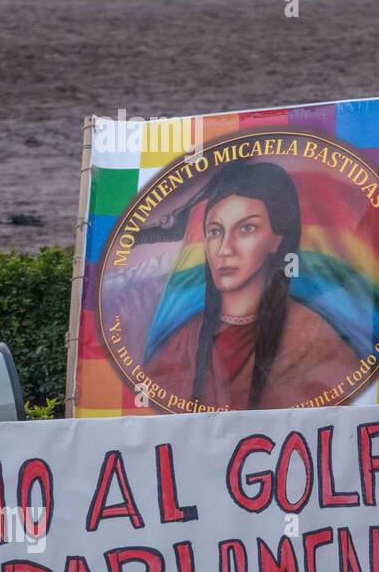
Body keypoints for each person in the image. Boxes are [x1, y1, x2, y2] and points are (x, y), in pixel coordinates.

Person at [143, 161, 354, 411]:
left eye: (246, 228)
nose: (225, 249)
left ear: (277, 239)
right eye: (215, 232)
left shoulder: (315, 339)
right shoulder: (181, 344)